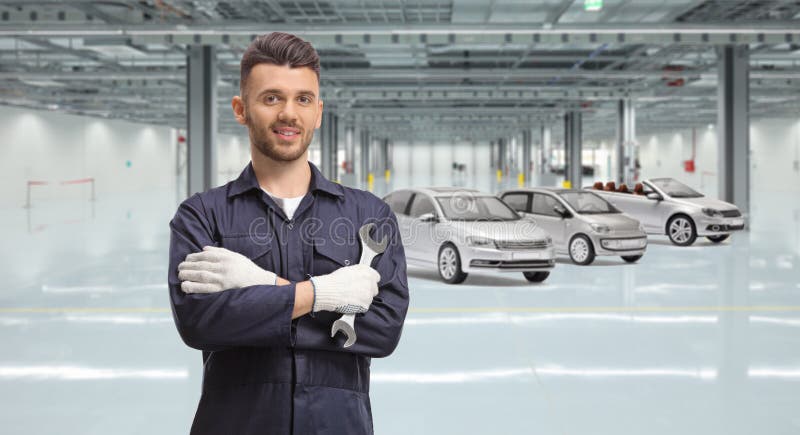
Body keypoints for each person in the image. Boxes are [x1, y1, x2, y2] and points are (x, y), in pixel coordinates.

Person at [167, 32, 409, 435]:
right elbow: (200, 323)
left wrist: (260, 292)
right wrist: (322, 296)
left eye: (303, 99)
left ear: (318, 112)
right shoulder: (202, 216)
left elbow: (383, 330)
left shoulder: (368, 213)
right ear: (241, 110)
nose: (289, 114)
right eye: (271, 98)